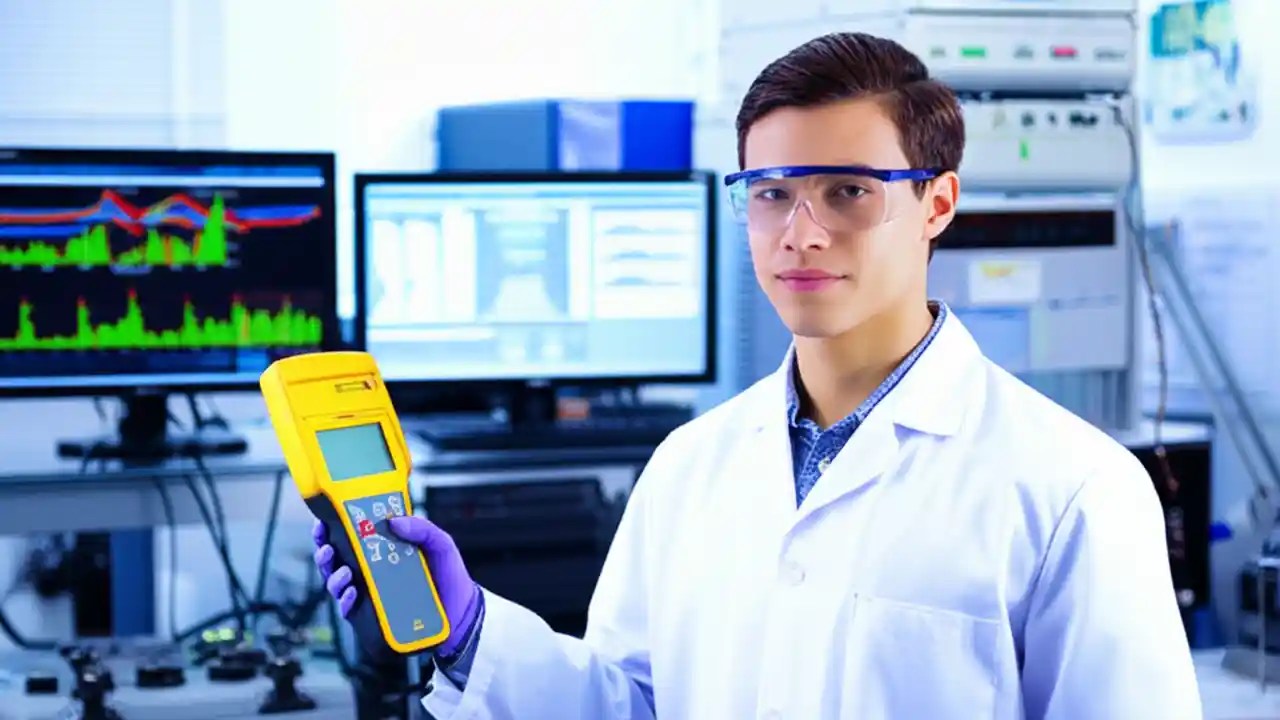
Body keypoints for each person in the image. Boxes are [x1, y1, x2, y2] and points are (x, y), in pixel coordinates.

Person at [313, 32, 1202, 719]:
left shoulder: (1073, 488)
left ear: (937, 204)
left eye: (849, 191)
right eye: (772, 192)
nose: (800, 234)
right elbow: (630, 703)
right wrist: (468, 629)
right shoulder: (691, 463)